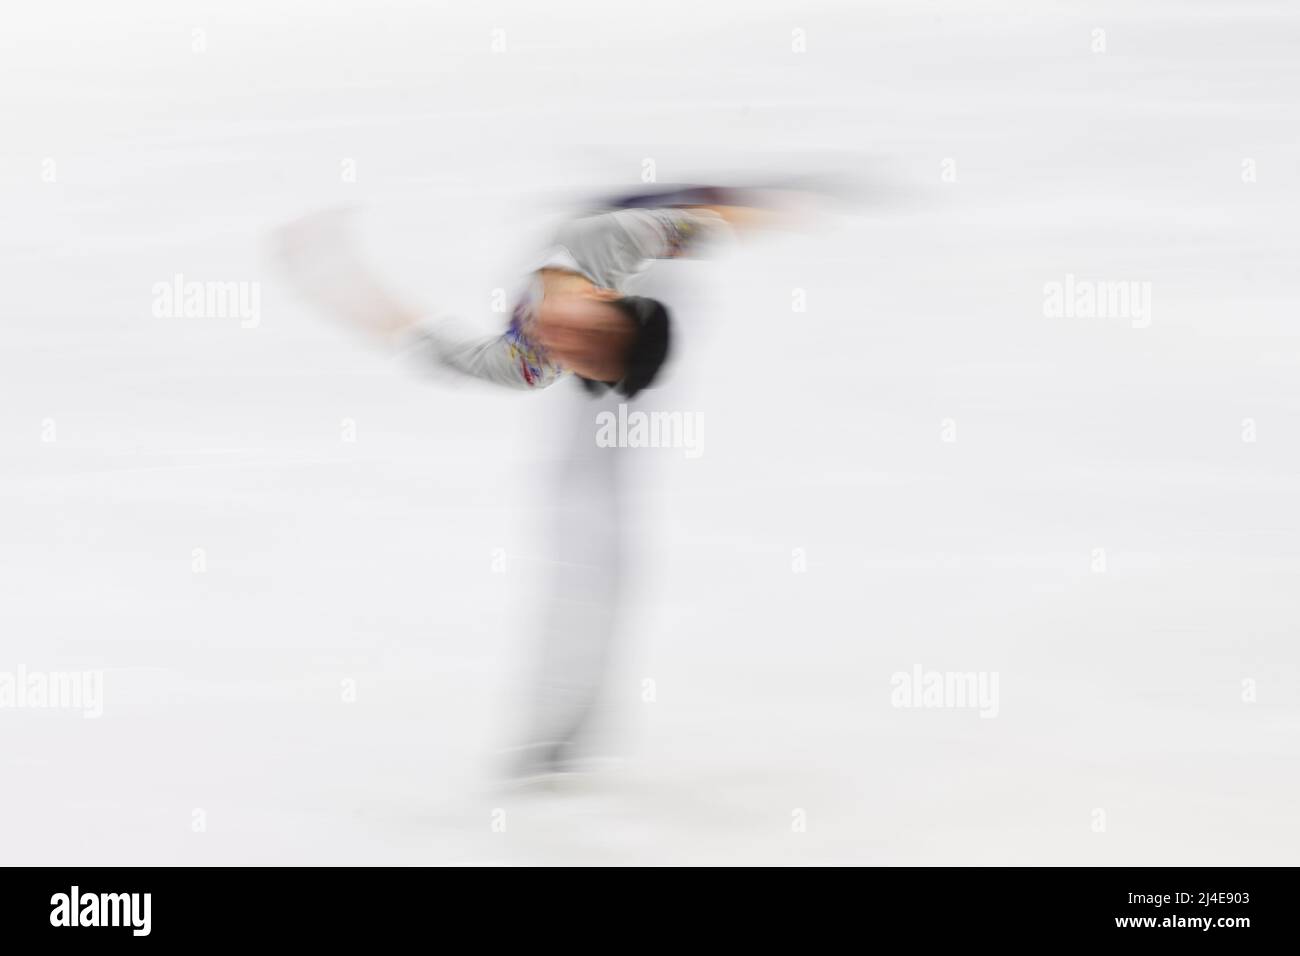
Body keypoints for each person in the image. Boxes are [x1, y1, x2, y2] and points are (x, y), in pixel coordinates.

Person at [275, 191, 776, 779]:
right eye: (589, 335)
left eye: (578, 357)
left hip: (644, 298)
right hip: (642, 218)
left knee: (589, 515)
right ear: (607, 297)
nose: (565, 341)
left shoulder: (528, 364)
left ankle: (569, 718)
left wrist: (328, 275)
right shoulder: (614, 240)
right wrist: (765, 206)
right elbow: (713, 228)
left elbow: (412, 333)